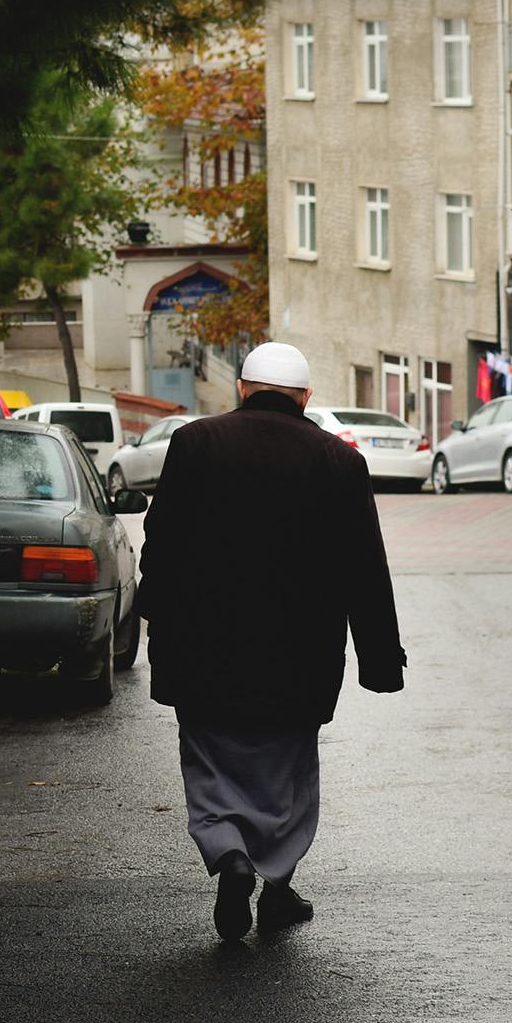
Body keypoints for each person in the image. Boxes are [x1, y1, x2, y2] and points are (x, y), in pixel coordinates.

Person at [135, 341, 404, 943]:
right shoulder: (339, 461)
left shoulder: (195, 443)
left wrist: (152, 618)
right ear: (306, 397)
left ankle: (229, 856)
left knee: (210, 764)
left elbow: (163, 541)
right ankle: (276, 885)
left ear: (243, 389)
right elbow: (365, 567)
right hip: (297, 659)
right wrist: (380, 658)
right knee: (287, 773)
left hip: (203, 652)